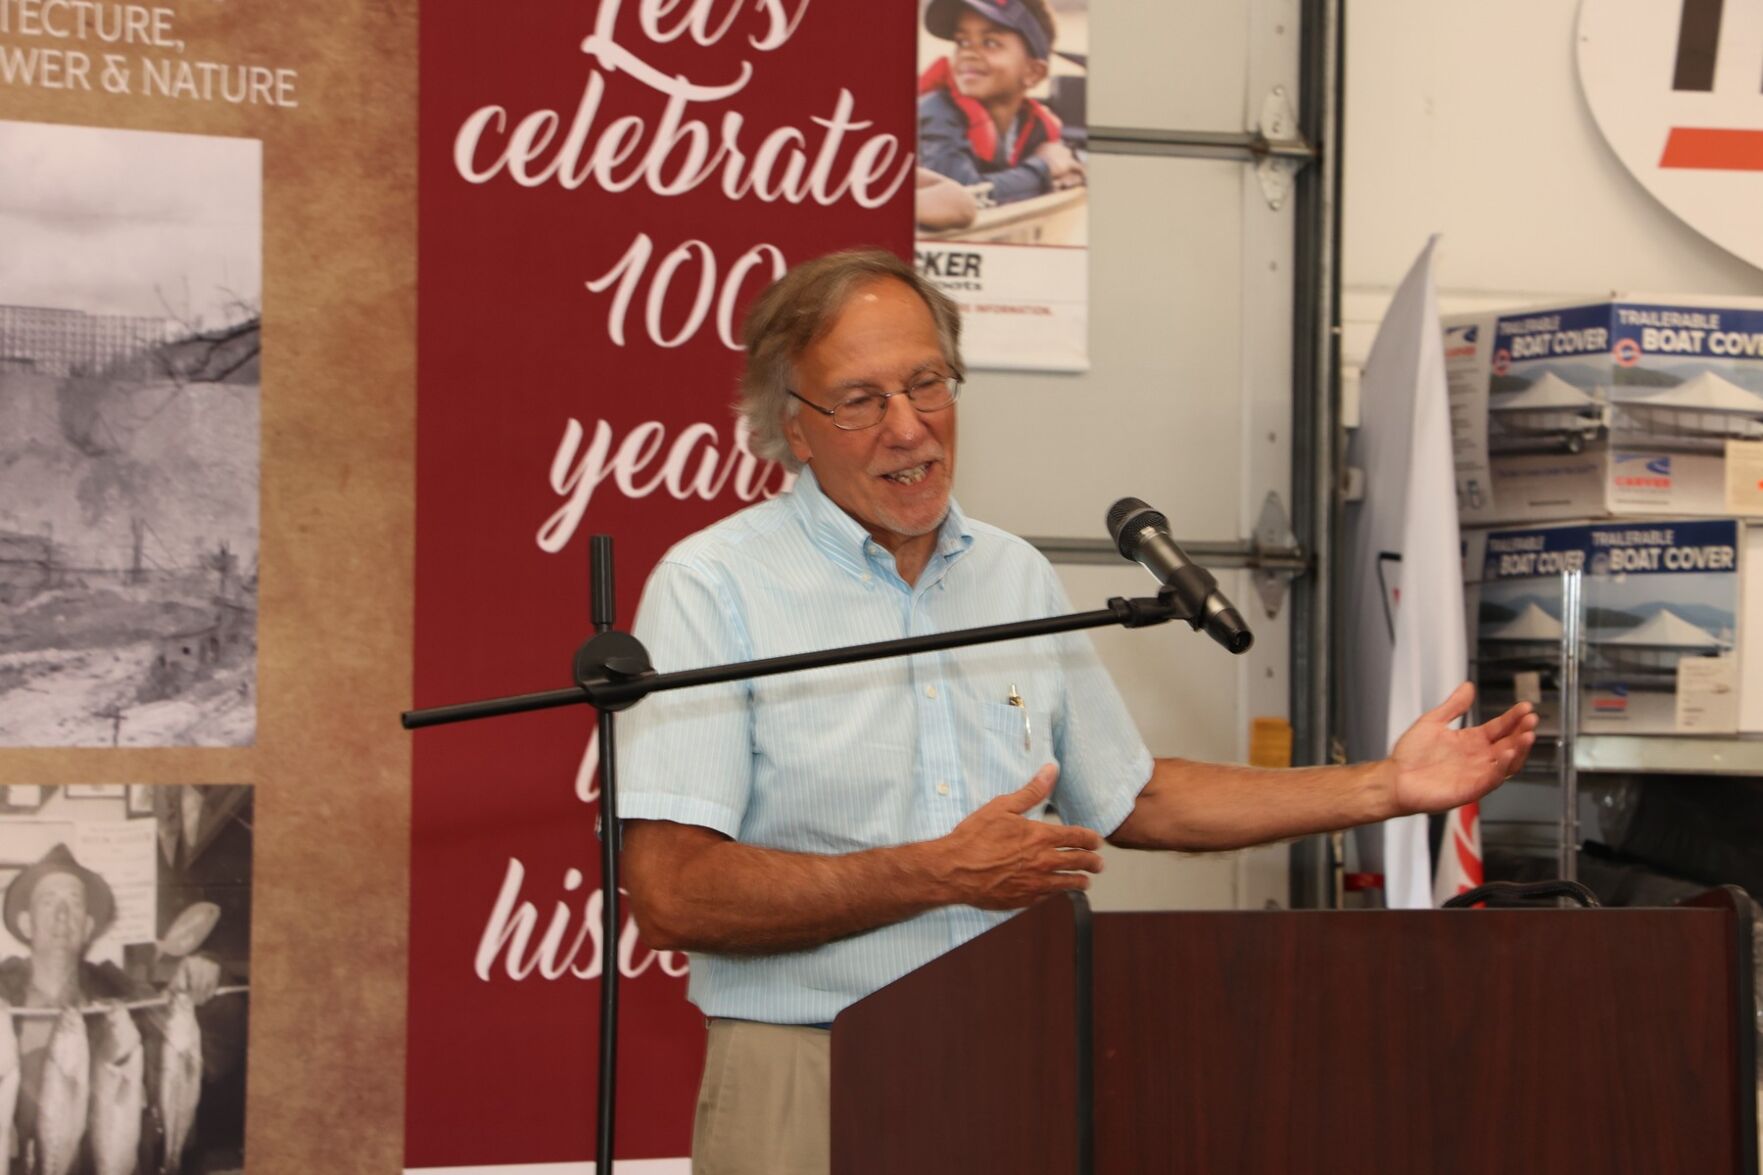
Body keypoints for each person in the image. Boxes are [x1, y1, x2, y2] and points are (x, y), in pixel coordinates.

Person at [619, 249, 1537, 1175]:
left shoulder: (1014, 575)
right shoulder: (715, 587)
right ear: (794, 429)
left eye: (927, 383)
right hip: (810, 1072)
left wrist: (1384, 784)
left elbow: (1135, 799)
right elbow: (671, 892)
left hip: (1017, 1065)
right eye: (859, 400)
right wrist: (936, 873)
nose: (907, 427)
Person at [0, 844, 219, 1173]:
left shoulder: (124, 996)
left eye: (74, 902)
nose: (62, 913)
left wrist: (208, 972)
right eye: (48, 901)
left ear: (88, 927)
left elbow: (213, 1048)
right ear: (26, 924)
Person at [916, 0, 1084, 206]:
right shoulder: (934, 114)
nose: (969, 52)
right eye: (962, 42)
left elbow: (1061, 163)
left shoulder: (1034, 126)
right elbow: (960, 197)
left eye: (990, 43)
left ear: (1033, 73)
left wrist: (1067, 171)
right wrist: (1043, 169)